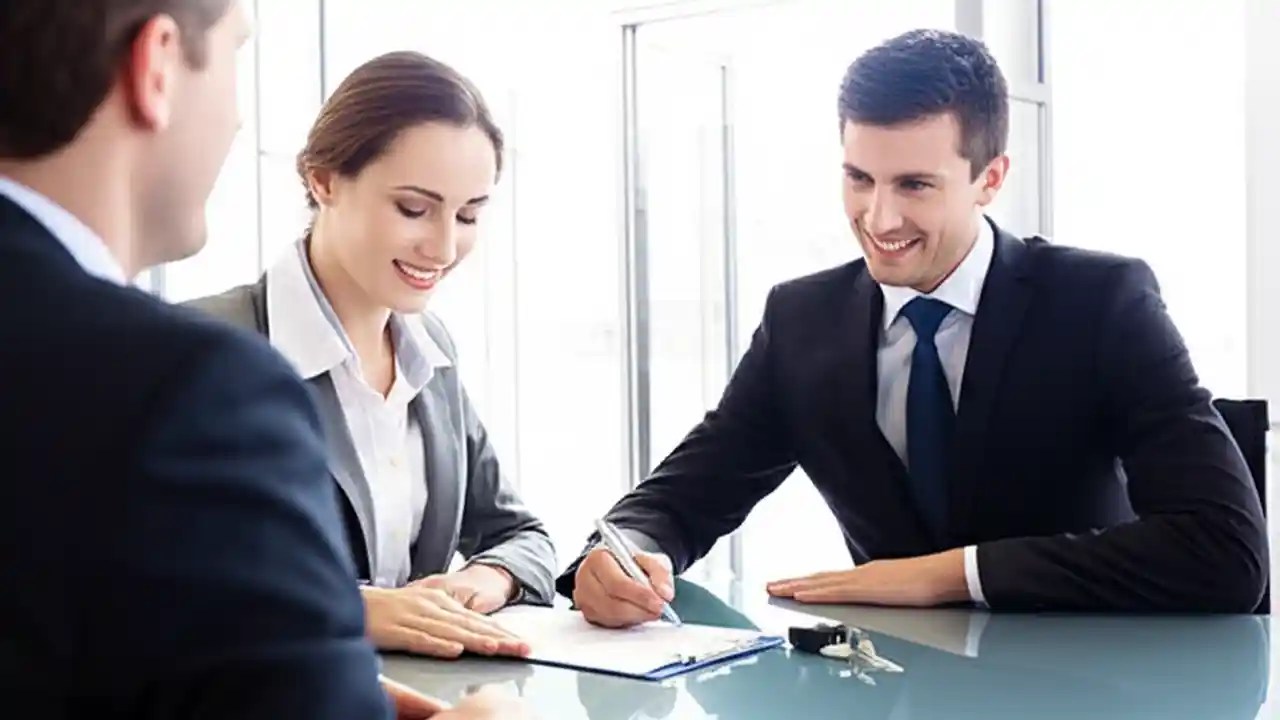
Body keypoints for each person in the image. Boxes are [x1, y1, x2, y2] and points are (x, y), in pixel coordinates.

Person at [559, 28, 1268, 625]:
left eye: (914, 185)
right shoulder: (801, 320)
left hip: (1086, 682)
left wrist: (949, 575)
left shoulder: (1101, 303)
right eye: (859, 178)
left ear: (990, 179)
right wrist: (623, 553)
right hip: (899, 689)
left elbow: (1227, 552)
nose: (879, 217)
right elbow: (686, 494)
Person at [0, 2, 524, 717]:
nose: (239, 121)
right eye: (235, 54)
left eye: (468, 214)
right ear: (158, 66)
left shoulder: (431, 356)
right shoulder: (194, 381)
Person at [187, 50, 555, 660]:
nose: (443, 247)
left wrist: (483, 581)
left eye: (468, 215)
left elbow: (522, 535)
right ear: (324, 180)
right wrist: (345, 609)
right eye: (413, 209)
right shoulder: (206, 347)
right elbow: (154, 579)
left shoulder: (431, 354)